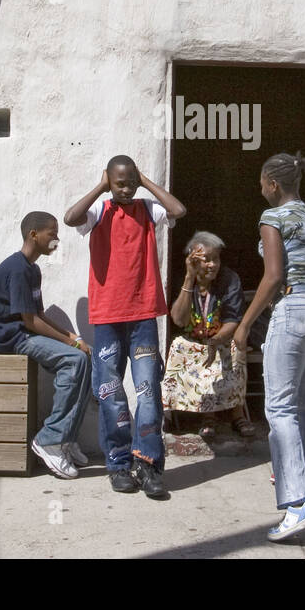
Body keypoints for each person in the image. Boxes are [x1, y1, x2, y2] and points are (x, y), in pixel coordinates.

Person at [218, 152, 305, 542]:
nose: (259, 188)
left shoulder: (273, 218)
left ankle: (298, 504)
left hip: (296, 306)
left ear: (272, 184)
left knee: (280, 408)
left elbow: (273, 277)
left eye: (260, 181)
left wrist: (245, 324)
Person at [64, 155, 186, 498]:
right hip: (107, 317)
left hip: (143, 315)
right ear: (108, 180)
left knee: (148, 393)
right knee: (112, 395)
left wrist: (146, 182)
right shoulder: (99, 212)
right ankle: (118, 465)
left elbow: (177, 210)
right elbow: (70, 217)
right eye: (119, 182)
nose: (126, 188)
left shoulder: (148, 209)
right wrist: (101, 187)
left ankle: (148, 466)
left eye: (130, 182)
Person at [0, 211, 93, 480]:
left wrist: (74, 337)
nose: (56, 240)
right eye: (52, 234)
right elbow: (30, 321)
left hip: (25, 334)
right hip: (12, 339)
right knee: (74, 360)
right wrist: (69, 344)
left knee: (83, 357)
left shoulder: (32, 269)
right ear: (34, 234)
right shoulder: (18, 269)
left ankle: (66, 438)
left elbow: (40, 315)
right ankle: (49, 439)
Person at [163, 232, 256, 439]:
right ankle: (208, 415)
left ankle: (237, 413)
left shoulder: (229, 279)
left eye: (216, 259)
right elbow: (178, 319)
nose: (213, 265)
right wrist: (189, 278)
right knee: (179, 346)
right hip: (194, 340)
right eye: (207, 260)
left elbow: (233, 320)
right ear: (194, 260)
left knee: (234, 348)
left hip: (221, 337)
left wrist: (215, 340)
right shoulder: (183, 278)